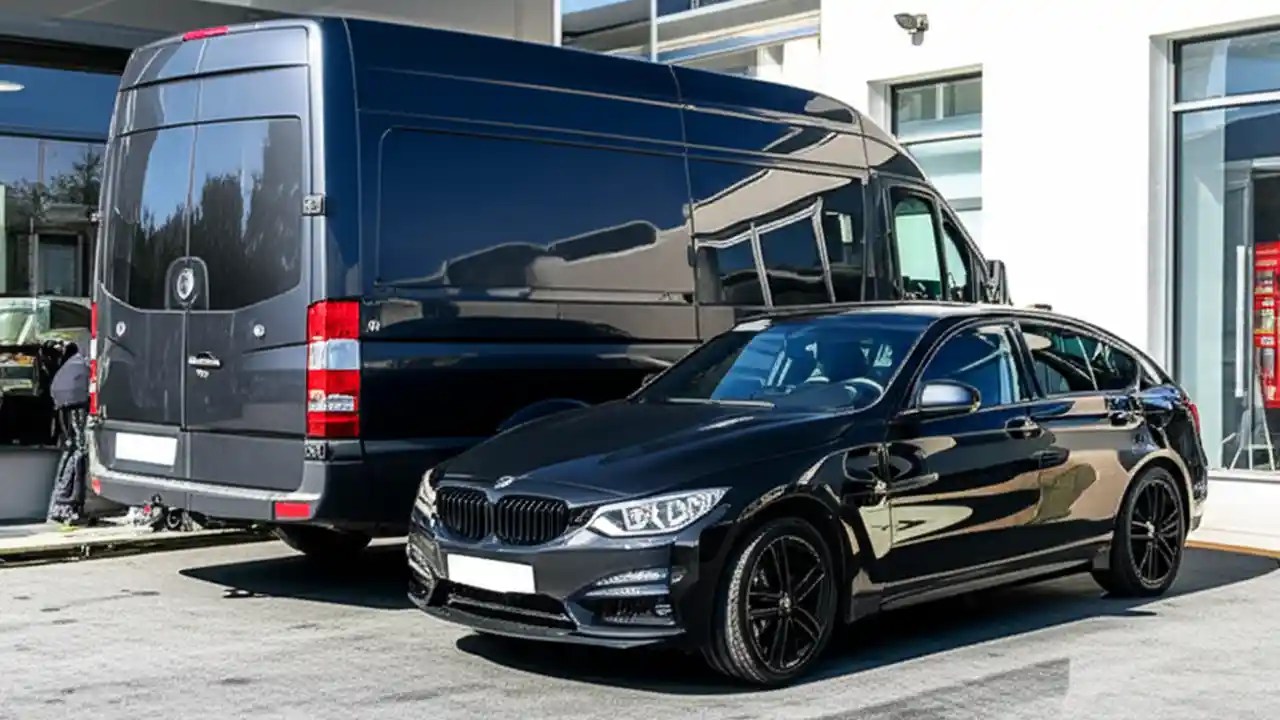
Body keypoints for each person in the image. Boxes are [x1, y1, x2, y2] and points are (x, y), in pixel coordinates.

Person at [46, 342, 90, 525]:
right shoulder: (90, 357)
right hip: (77, 397)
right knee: (81, 449)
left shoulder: (75, 359)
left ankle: (56, 502)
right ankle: (67, 503)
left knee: (70, 447)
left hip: (61, 395)